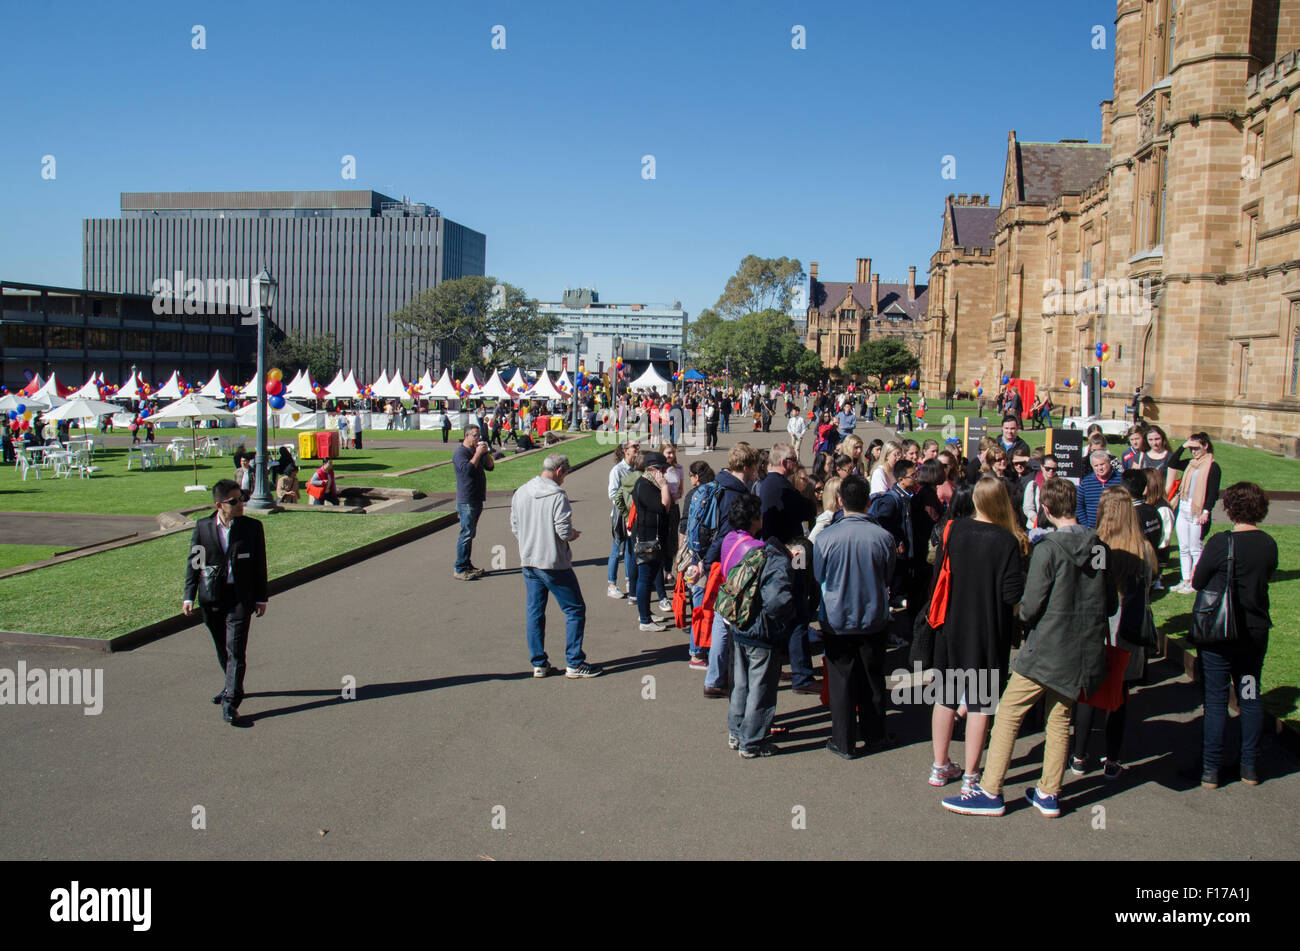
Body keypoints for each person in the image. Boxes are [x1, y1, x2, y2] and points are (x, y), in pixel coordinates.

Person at [942, 478, 1114, 817]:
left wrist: (1021, 617)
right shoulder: (1099, 547)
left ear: (1046, 510)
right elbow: (1108, 602)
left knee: (1007, 714)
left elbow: (1031, 604)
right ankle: (1049, 792)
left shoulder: (1047, 548)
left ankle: (991, 791)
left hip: (1047, 647)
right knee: (1059, 718)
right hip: (1082, 649)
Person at [927, 477, 1027, 792]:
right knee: (981, 703)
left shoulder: (954, 531)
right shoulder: (1007, 541)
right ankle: (971, 773)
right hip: (987, 630)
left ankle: (939, 765)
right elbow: (1011, 594)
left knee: (945, 698)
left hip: (951, 626)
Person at [1192, 482, 1278, 787]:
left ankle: (1210, 769)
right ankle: (1249, 766)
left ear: (1230, 508)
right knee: (1250, 696)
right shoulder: (1268, 544)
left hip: (1220, 633)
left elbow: (1199, 580)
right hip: (1254, 633)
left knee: (1215, 701)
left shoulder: (1221, 543)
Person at [1070, 486, 1156, 779]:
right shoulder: (1143, 549)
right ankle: (1113, 758)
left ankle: (1079, 756)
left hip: (1100, 629)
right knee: (1119, 696)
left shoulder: (1097, 547)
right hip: (1129, 634)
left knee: (1088, 693)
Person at [813, 475, 896, 758]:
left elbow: (818, 576)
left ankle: (843, 740)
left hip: (837, 619)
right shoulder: (884, 537)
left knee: (841, 682)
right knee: (873, 680)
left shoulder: (825, 538)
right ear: (868, 502)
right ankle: (875, 735)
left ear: (839, 501)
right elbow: (888, 575)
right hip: (873, 617)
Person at [183, 479, 269, 726]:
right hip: (212, 598)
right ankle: (230, 685)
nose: (241, 503)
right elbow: (195, 564)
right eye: (234, 501)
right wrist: (189, 595)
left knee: (236, 649)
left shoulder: (252, 527)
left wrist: (261, 597)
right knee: (223, 647)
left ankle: (231, 701)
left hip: (240, 597)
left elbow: (259, 565)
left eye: (242, 498)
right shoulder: (203, 528)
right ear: (219, 505)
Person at [510, 453, 602, 679]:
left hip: (529, 559)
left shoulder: (521, 491)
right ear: (560, 471)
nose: (564, 480)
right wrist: (574, 534)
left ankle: (539, 663)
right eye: (565, 475)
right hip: (552, 562)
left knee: (535, 611)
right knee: (575, 609)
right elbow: (563, 531)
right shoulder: (557, 495)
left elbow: (515, 526)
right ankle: (574, 661)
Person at [724, 494, 797, 758]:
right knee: (761, 688)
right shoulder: (767, 554)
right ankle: (752, 742)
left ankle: (736, 731)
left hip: (738, 622)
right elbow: (777, 600)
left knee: (741, 684)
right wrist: (787, 616)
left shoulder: (732, 541)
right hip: (760, 628)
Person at [758, 442, 819, 695]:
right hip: (790, 553)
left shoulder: (767, 485)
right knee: (798, 611)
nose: (796, 463)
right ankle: (802, 676)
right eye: (794, 459)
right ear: (785, 463)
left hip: (777, 551)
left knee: (786, 610)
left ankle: (783, 664)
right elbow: (808, 509)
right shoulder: (782, 486)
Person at [702, 442, 762, 697]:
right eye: (756, 467)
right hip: (729, 559)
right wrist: (706, 563)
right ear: (747, 467)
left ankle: (715, 677)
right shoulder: (734, 494)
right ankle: (725, 678)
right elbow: (726, 534)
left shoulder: (720, 484)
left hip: (718, 558)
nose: (758, 471)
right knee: (729, 617)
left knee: (721, 616)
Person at [1170, 432, 1221, 593]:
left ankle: (1195, 580)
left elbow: (1212, 492)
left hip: (1198, 510)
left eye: (1196, 448)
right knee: (1183, 546)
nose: (1193, 452)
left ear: (1205, 446)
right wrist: (1182, 447)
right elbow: (1172, 462)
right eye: (1191, 449)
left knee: (1195, 547)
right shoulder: (1191, 464)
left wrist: (1206, 511)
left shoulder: (1212, 466)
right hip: (1184, 507)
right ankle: (1185, 578)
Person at [631, 451, 674, 632]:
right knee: (645, 578)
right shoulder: (644, 485)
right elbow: (663, 506)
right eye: (661, 470)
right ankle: (645, 620)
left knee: (649, 577)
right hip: (647, 538)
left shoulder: (651, 483)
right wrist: (664, 486)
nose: (663, 473)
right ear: (652, 469)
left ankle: (647, 613)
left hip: (656, 537)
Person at [452, 425, 495, 580]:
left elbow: (490, 467)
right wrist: (477, 453)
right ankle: (460, 568)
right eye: (475, 436)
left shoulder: (477, 450)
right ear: (467, 435)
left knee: (471, 534)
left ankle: (467, 564)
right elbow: (467, 471)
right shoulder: (460, 453)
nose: (478, 439)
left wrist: (486, 453)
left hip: (477, 498)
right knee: (466, 534)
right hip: (466, 499)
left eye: (479, 436)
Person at [606, 439, 640, 599]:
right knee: (616, 550)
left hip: (633, 515)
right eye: (634, 447)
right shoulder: (617, 470)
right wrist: (626, 509)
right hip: (620, 516)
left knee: (630, 550)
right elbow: (612, 494)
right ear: (626, 450)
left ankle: (629, 579)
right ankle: (611, 584)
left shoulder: (635, 468)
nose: (637, 449)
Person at [1076, 448, 1122, 528]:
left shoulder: (1120, 479)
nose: (1100, 468)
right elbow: (1079, 506)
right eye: (1096, 466)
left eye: (1102, 464)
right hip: (1093, 529)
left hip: (1117, 528)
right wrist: (1087, 525)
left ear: (1109, 463)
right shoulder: (1086, 483)